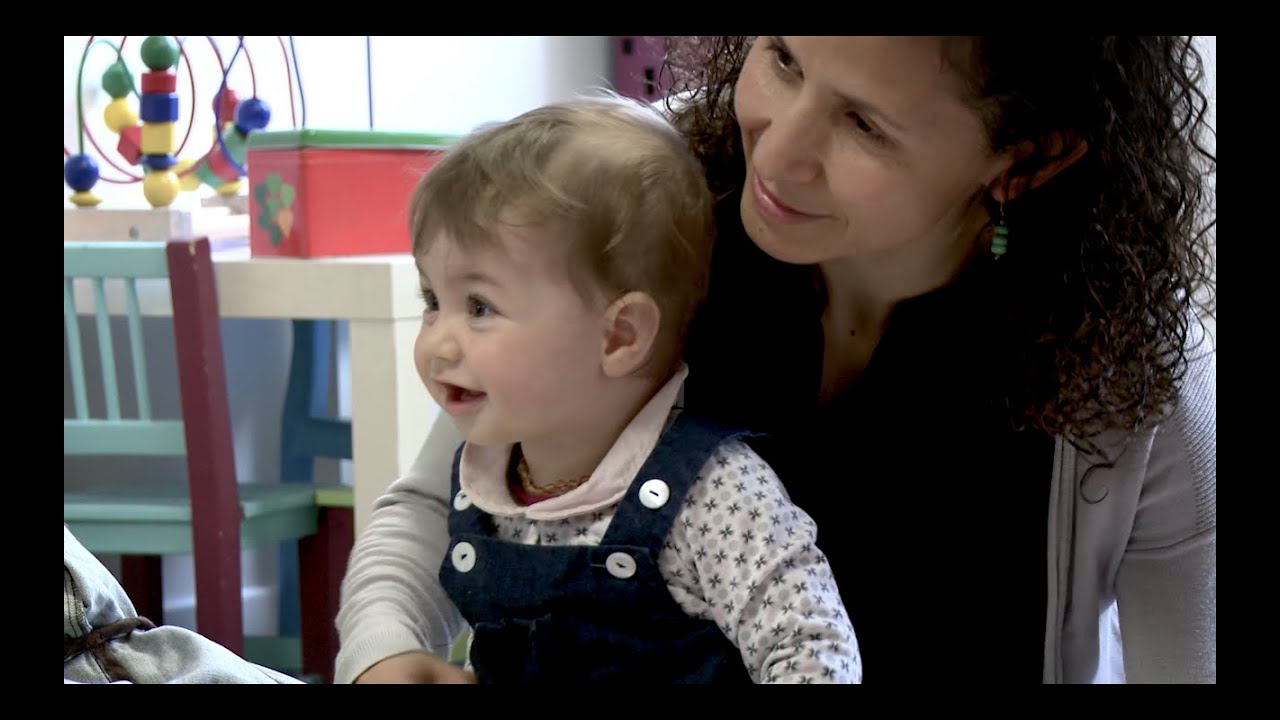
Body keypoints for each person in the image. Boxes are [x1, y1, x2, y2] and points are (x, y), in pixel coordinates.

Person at [337, 36, 1216, 684]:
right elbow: (441, 498)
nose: (778, 152)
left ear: (1027, 160)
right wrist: (386, 652)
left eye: (865, 125)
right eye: (784, 58)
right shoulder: (637, 203)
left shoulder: (1130, 373)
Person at [363, 92, 861, 684]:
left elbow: (815, 647)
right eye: (431, 301)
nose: (439, 344)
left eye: (479, 306)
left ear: (619, 336)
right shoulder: (484, 477)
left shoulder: (716, 495)